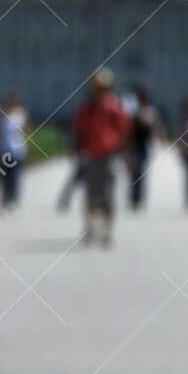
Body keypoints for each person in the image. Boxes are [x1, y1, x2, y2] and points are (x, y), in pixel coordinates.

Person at [71, 69, 131, 246]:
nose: (100, 91)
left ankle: (107, 230)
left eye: (103, 88)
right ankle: (89, 227)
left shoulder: (115, 107)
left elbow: (124, 132)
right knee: (90, 194)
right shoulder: (86, 109)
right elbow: (78, 131)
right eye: (98, 88)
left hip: (109, 156)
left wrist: (126, 154)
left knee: (108, 194)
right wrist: (76, 150)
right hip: (91, 156)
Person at [126, 87, 162, 211]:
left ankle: (139, 198)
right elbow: (129, 130)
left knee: (142, 173)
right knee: (134, 173)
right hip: (135, 145)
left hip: (144, 145)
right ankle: (134, 198)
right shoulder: (134, 112)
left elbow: (155, 127)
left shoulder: (150, 112)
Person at [0, 90, 28, 210]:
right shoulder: (0, 113)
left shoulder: (21, 114)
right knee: (3, 177)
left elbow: (26, 132)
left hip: (17, 151)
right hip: (3, 149)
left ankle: (12, 197)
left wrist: (27, 148)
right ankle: (5, 197)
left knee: (14, 176)